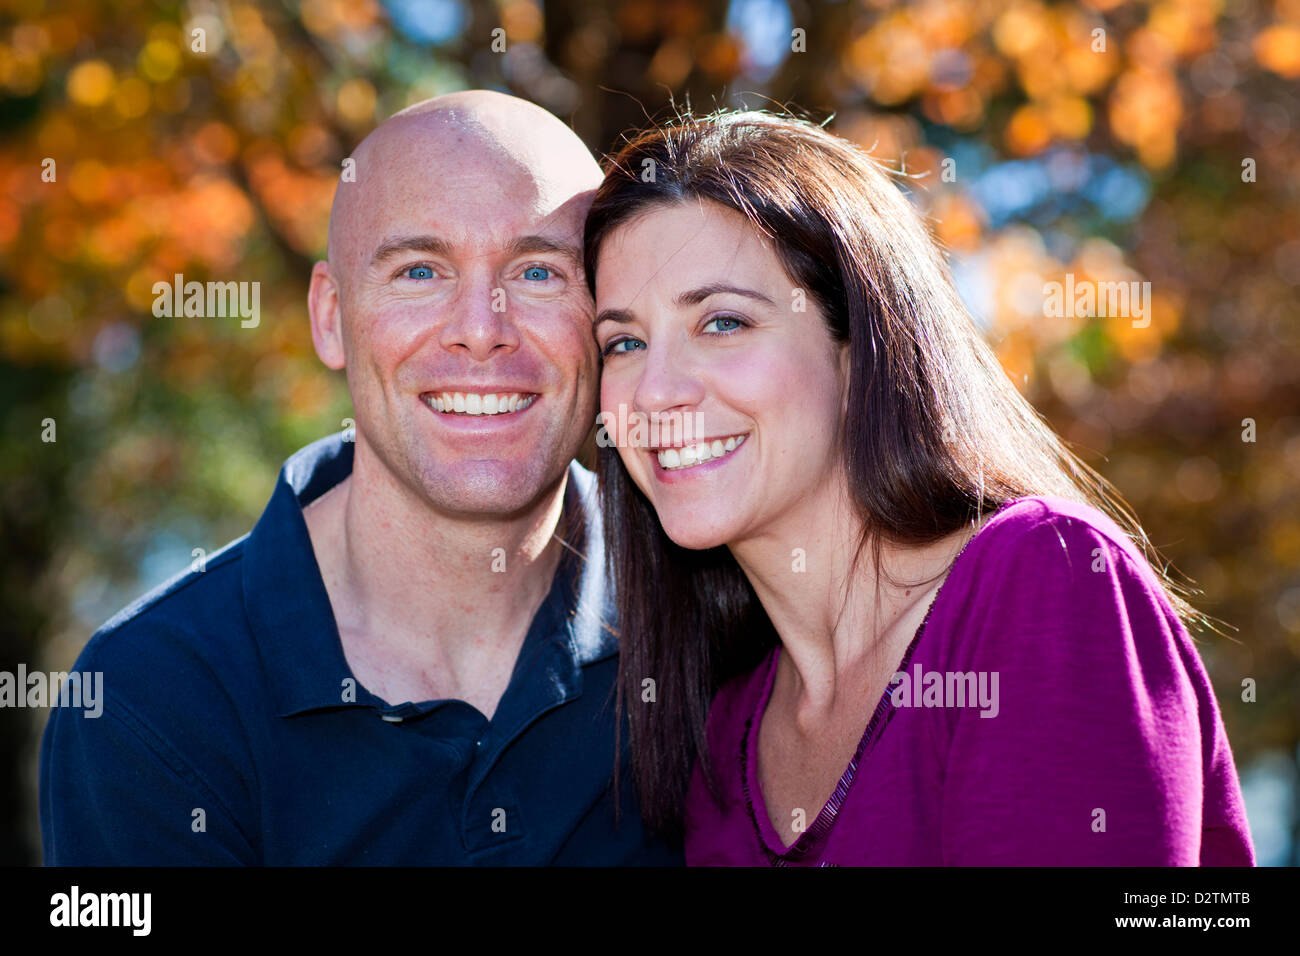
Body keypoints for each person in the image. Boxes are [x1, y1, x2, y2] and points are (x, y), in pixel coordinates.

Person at [585, 110, 1255, 865]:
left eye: (723, 322)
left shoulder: (1045, 584)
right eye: (626, 342)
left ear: (857, 345)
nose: (656, 392)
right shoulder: (721, 733)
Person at [39, 91, 681, 866]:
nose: (481, 328)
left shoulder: (708, 622)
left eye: (540, 271)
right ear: (330, 316)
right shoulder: (153, 696)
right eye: (419, 270)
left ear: (607, 316)